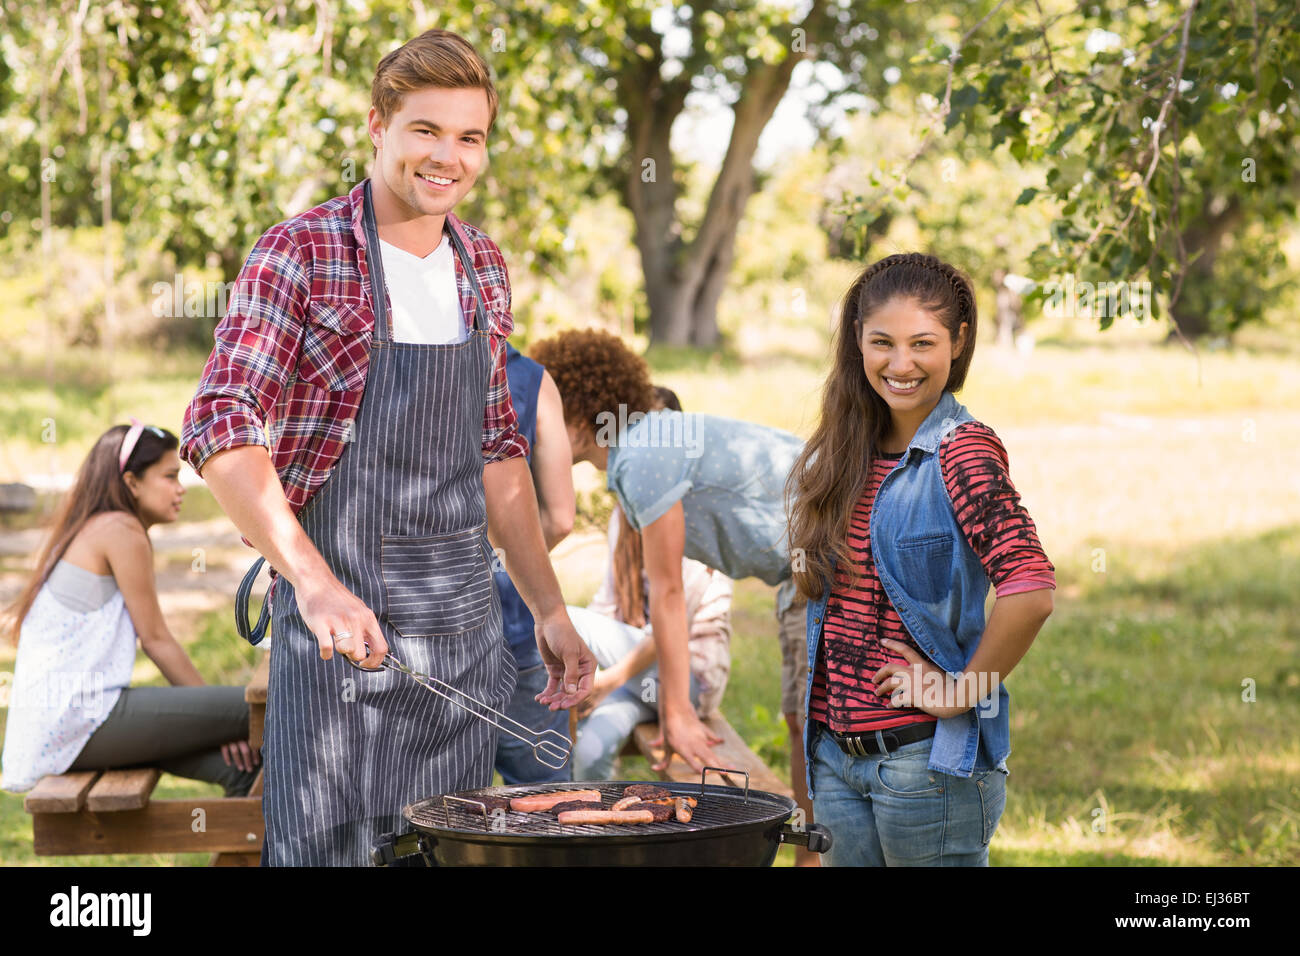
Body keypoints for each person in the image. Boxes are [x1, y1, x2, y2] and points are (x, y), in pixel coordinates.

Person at [180, 30, 594, 866]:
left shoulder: (481, 264)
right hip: (343, 650)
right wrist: (316, 584)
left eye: (469, 136)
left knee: (445, 855)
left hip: (462, 645)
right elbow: (221, 423)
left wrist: (548, 609)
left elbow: (497, 449)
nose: (449, 156)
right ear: (377, 125)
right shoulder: (301, 251)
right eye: (426, 131)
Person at [786, 252, 1056, 867]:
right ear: (857, 340)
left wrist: (963, 689)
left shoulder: (962, 452)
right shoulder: (844, 449)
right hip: (834, 759)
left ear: (958, 344)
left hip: (922, 767)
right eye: (882, 342)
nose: (900, 364)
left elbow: (1031, 588)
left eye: (923, 344)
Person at [529, 329, 819, 866]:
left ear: (578, 412)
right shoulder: (643, 450)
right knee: (802, 718)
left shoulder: (644, 454)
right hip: (801, 578)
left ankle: (819, 855)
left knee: (820, 720)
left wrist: (678, 710)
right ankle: (811, 855)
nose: (534, 432)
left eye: (544, 416)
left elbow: (667, 589)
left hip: (837, 555)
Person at [1, 422, 259, 797]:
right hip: (81, 720)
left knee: (243, 768)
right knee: (258, 709)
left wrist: (217, 727)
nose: (180, 488)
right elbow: (156, 640)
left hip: (68, 726)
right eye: (169, 476)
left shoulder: (95, 527)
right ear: (132, 482)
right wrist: (225, 725)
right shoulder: (121, 530)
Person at [568, 386, 732, 780]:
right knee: (588, 755)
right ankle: (596, 836)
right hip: (639, 677)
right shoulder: (624, 514)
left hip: (688, 676)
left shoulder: (691, 514)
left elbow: (670, 629)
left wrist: (605, 679)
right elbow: (607, 606)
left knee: (562, 619)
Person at [492, 342, 577, 784]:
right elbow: (561, 518)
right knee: (547, 801)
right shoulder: (534, 381)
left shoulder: (387, 361)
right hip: (517, 629)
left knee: (432, 812)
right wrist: (508, 557)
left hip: (420, 631)